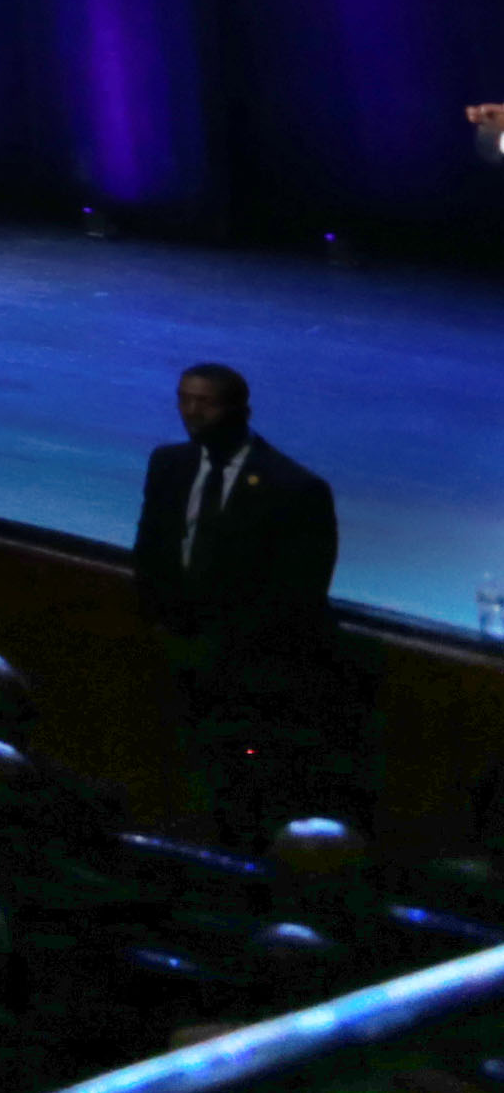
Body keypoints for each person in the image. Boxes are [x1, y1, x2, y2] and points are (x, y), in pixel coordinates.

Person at [131, 360, 343, 843]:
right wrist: (162, 625)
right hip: (174, 652)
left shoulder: (295, 489)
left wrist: (226, 647)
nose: (190, 411)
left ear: (239, 409)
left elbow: (301, 590)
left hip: (250, 675)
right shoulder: (169, 464)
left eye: (204, 401)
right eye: (184, 398)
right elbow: (151, 549)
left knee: (233, 790)